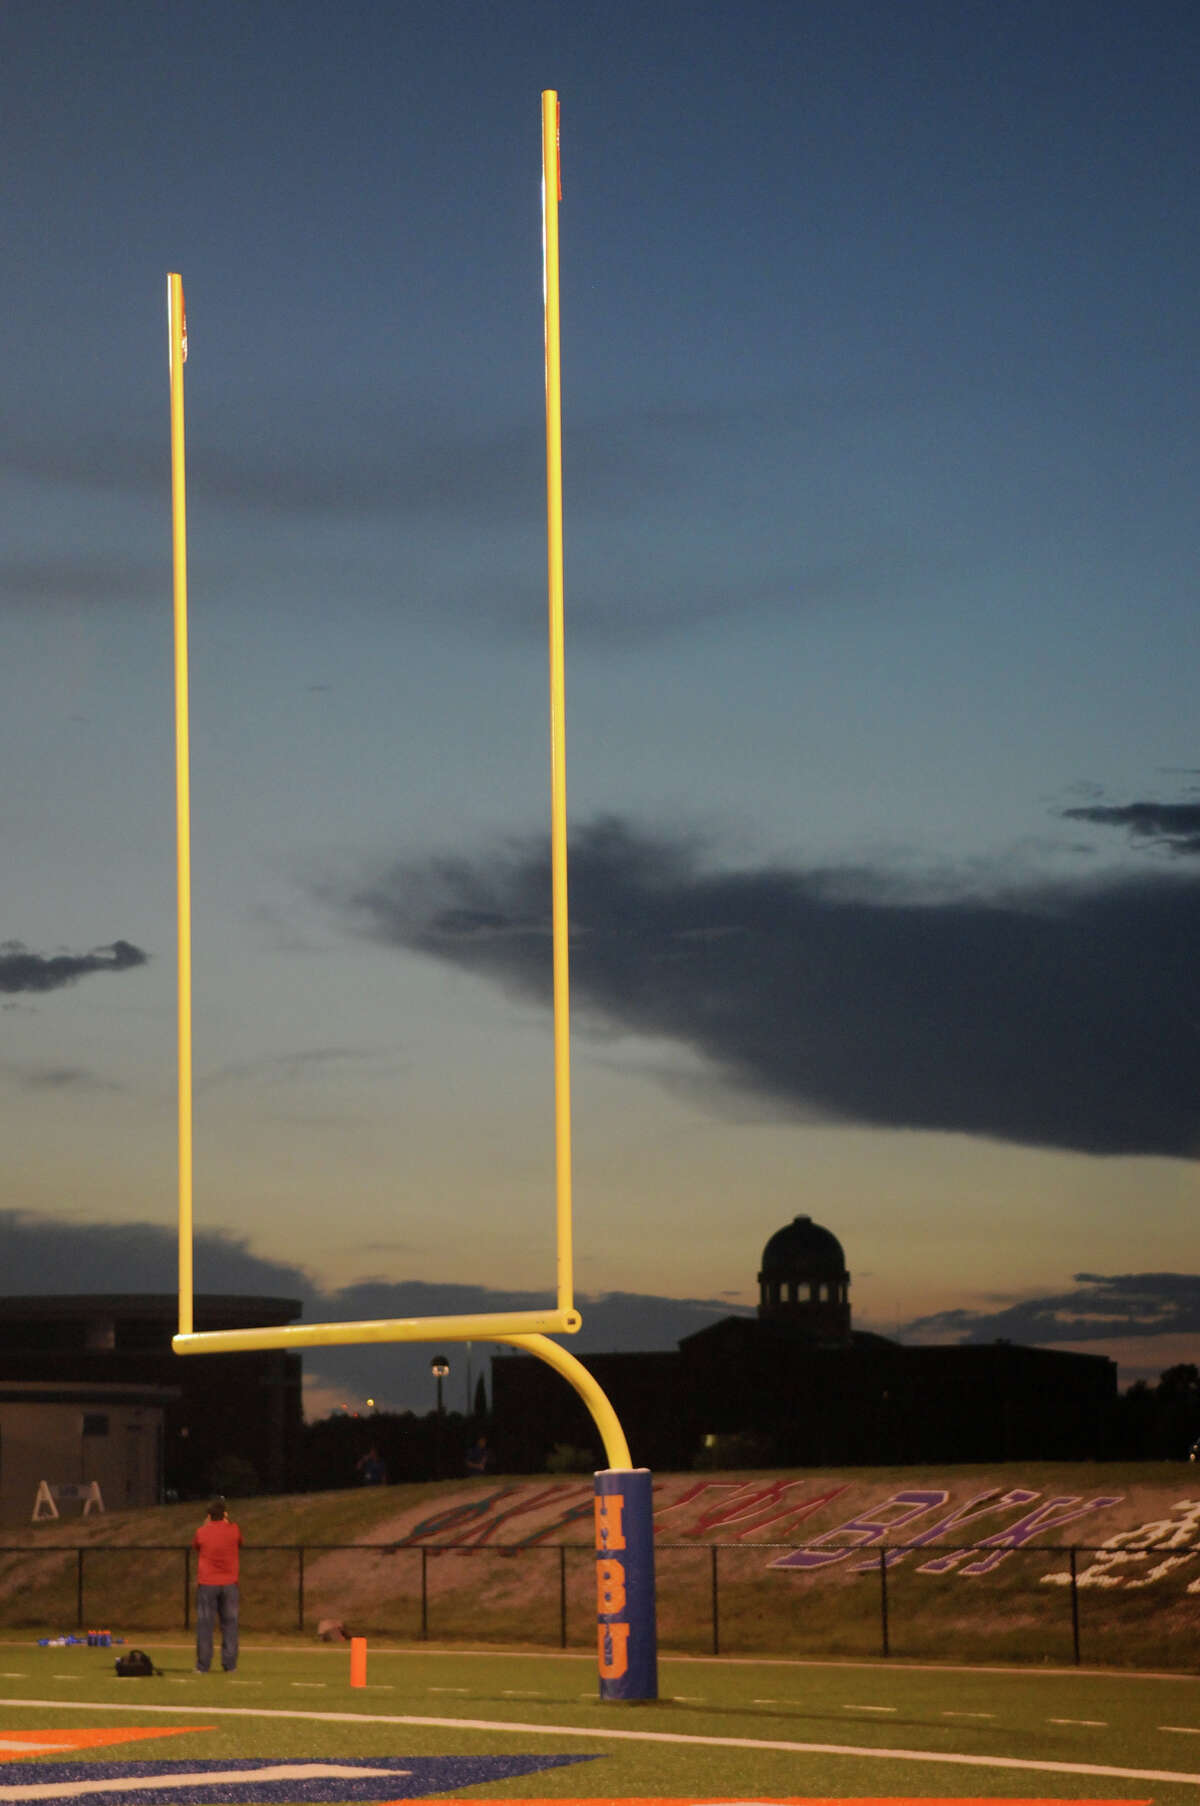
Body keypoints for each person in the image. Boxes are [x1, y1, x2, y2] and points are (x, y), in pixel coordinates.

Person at [192, 1497, 242, 1673]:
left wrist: (207, 1525)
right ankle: (230, 1665)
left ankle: (203, 1665)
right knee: (230, 1624)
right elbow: (239, 1542)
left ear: (208, 1515)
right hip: (229, 1583)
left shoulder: (201, 1532)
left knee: (205, 1625)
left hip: (207, 1583)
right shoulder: (234, 1530)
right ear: (225, 1514)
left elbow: (197, 1546)